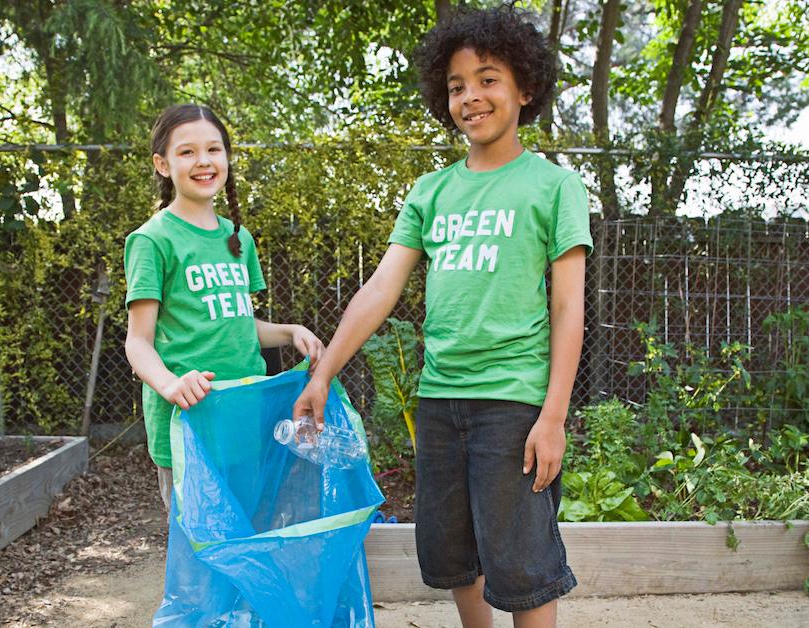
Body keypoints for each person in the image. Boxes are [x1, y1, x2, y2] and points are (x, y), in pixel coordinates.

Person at [293, 7, 592, 627]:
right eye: (456, 86)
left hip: (513, 404)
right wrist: (322, 376)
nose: (470, 97)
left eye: (487, 79)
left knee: (523, 564)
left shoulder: (553, 187)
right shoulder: (430, 192)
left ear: (525, 87)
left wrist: (554, 416)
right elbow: (380, 289)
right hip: (439, 404)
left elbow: (569, 308)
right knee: (456, 557)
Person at [125, 104, 324, 512]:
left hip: (243, 417)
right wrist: (170, 385)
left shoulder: (240, 239)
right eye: (187, 152)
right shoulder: (152, 240)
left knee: (248, 531)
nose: (203, 161)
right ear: (162, 165)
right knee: (203, 549)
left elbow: (236, 324)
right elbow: (137, 343)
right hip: (189, 425)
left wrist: (288, 331)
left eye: (213, 150)